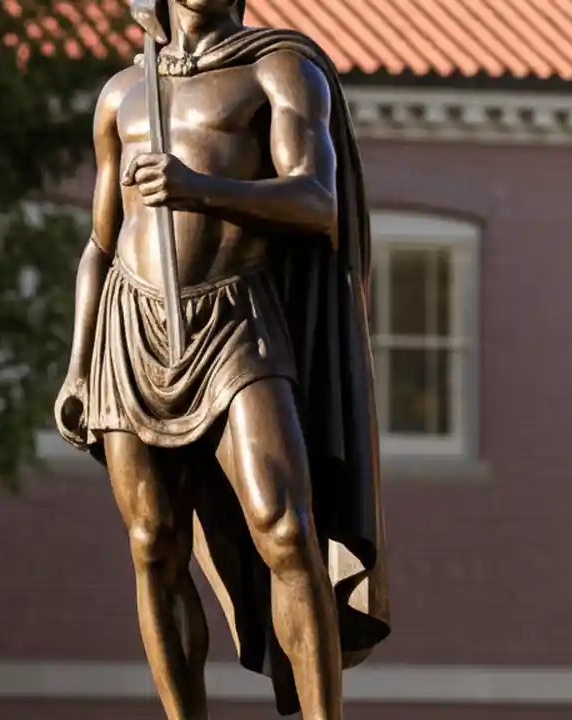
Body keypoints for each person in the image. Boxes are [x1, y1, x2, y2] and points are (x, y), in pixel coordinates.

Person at [54, 1, 389, 717]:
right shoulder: (122, 93)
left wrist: (200, 189)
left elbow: (317, 200)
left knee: (286, 526)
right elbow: (100, 244)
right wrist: (79, 363)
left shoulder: (281, 68)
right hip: (131, 328)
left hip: (236, 318)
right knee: (154, 545)